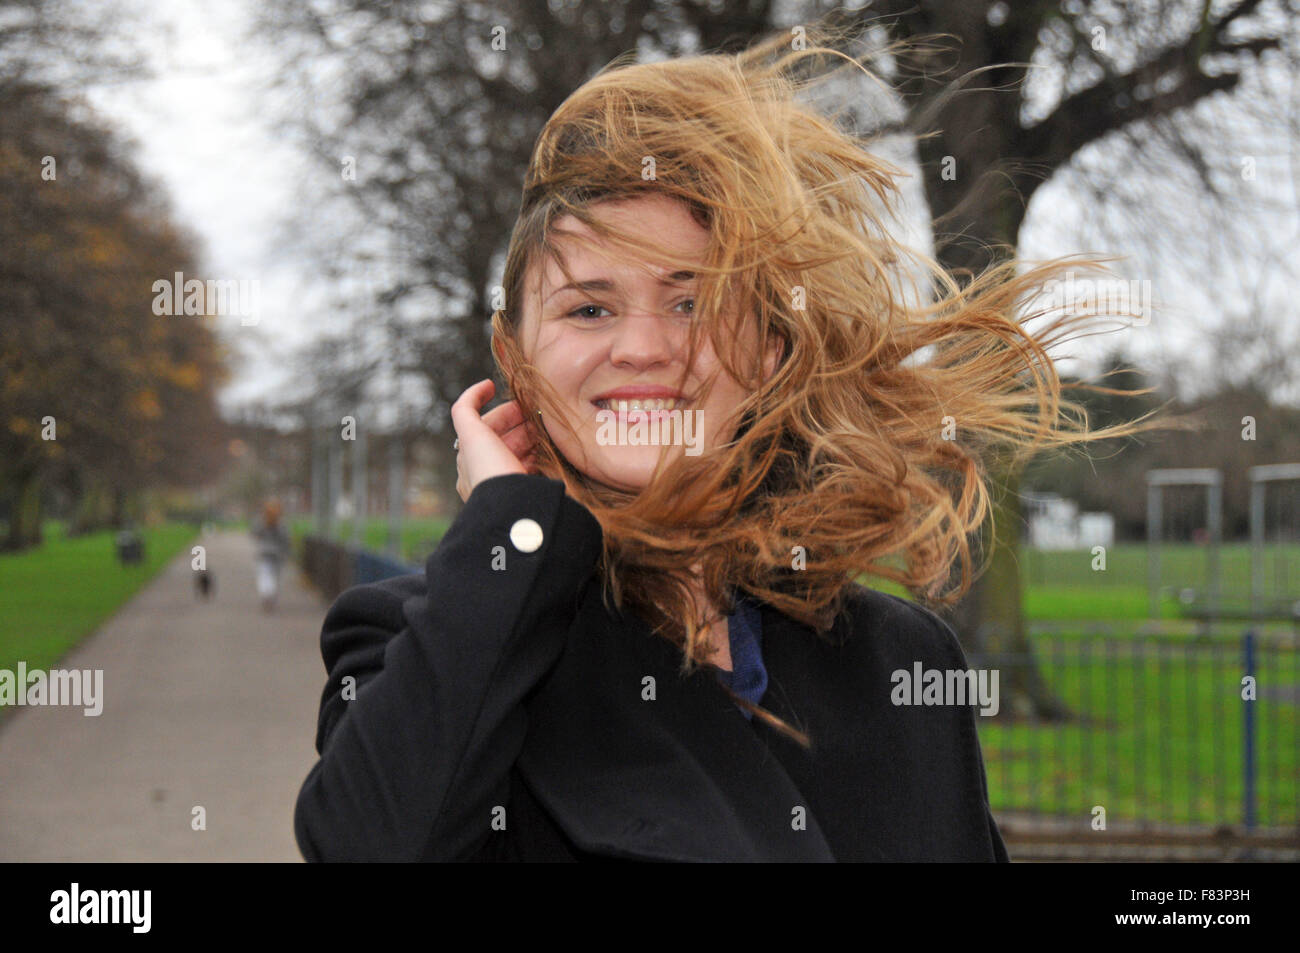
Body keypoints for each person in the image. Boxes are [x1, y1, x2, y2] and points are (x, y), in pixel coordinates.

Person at [294, 27, 1150, 862]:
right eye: (588, 307)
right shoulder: (428, 644)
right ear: (515, 353)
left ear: (772, 349)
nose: (642, 348)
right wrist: (510, 527)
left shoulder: (902, 660)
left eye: (691, 301)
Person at [251, 498, 289, 612]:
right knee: (274, 576)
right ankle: (271, 595)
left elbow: (254, 533)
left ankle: (266, 595)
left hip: (263, 553)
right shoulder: (281, 524)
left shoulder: (261, 522)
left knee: (264, 576)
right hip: (277, 554)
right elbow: (286, 539)